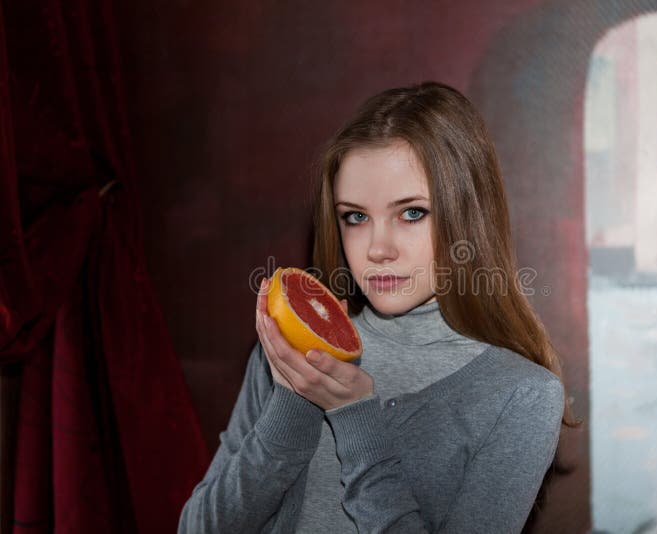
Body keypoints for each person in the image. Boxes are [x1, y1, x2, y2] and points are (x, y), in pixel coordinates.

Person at [178, 81, 580, 533]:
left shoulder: (521, 396)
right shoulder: (286, 351)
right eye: (356, 216)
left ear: (467, 214)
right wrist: (294, 399)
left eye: (411, 213)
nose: (377, 248)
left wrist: (355, 416)